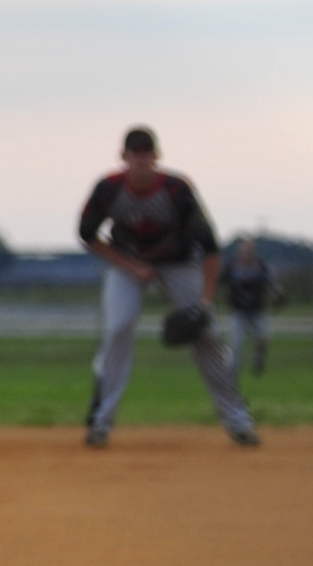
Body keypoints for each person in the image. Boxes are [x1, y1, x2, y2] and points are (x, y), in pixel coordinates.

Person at [76, 125, 258, 449]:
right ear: (124, 157)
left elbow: (211, 248)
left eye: (147, 152)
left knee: (208, 334)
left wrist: (204, 302)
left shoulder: (176, 190)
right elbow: (87, 234)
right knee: (118, 328)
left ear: (157, 156)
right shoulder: (109, 188)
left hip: (180, 263)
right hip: (128, 264)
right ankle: (100, 422)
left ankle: (239, 422)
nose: (141, 159)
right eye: (135, 153)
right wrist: (131, 266)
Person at [218, 235, 286, 376]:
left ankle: (258, 359)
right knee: (236, 345)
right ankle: (232, 375)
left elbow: (271, 283)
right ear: (240, 250)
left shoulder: (260, 266)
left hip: (257, 310)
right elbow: (220, 283)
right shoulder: (232, 266)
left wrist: (278, 293)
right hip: (238, 311)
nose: (248, 252)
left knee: (263, 337)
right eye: (245, 249)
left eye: (250, 249)